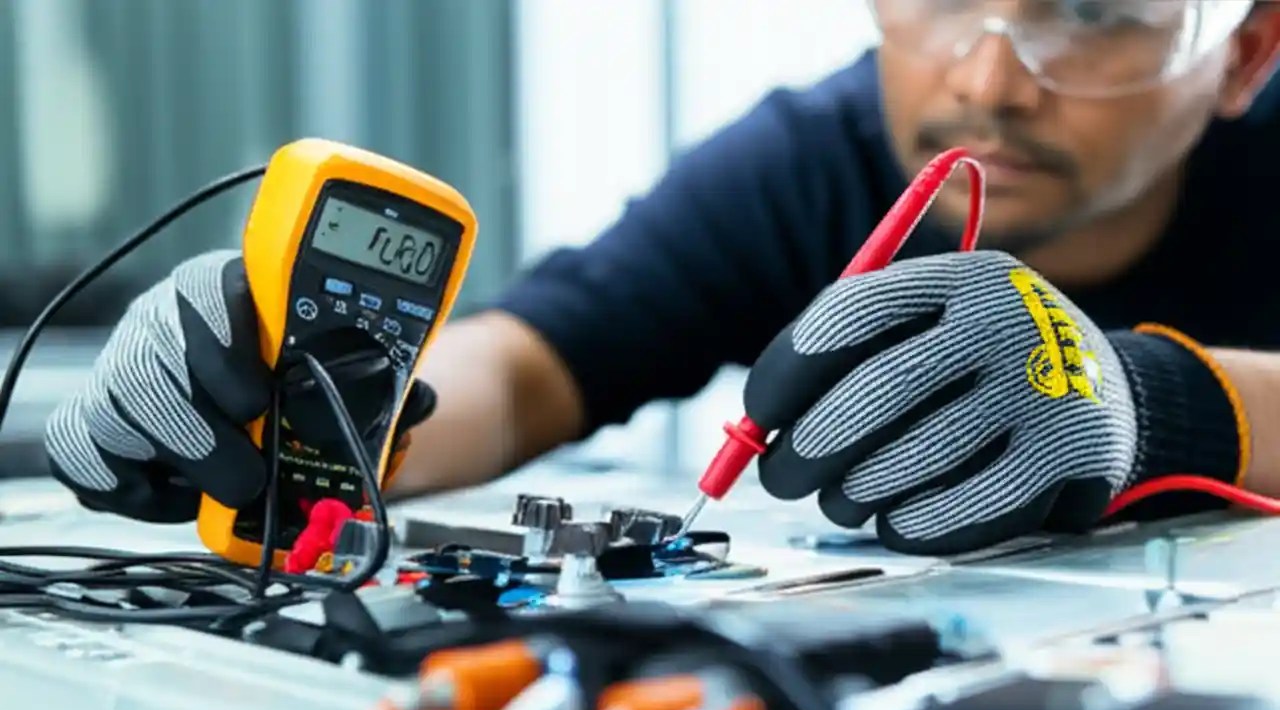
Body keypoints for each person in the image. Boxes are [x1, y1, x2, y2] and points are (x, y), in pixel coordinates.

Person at [41, 1, 1280, 556]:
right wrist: (304, 389)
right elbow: (527, 366)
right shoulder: (805, 159)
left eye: (1096, 9)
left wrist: (1165, 400)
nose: (991, 79)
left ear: (1241, 51)